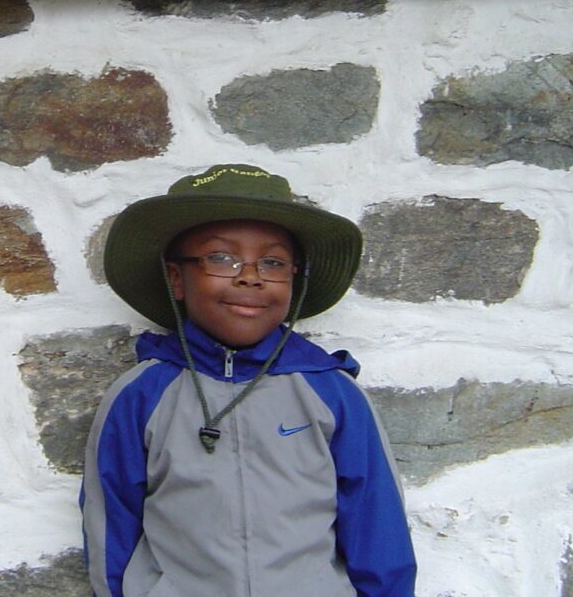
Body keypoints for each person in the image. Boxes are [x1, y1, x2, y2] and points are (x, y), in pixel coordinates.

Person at [82, 164, 417, 597]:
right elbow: (111, 526)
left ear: (294, 280)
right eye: (221, 257)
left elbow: (378, 524)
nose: (250, 275)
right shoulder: (141, 395)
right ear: (176, 278)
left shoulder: (331, 392)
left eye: (273, 262)